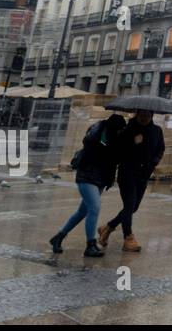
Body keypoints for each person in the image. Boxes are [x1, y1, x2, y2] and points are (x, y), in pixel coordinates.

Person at [49, 113, 126, 257]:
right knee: (95, 208)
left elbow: (117, 158)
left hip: (101, 179)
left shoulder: (116, 139)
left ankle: (58, 237)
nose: (120, 131)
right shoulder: (99, 133)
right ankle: (90, 245)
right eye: (119, 129)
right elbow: (92, 145)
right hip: (87, 175)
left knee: (82, 212)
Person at [98, 110, 165, 253]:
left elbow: (160, 149)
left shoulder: (157, 131)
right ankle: (128, 238)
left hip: (144, 175)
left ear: (151, 116)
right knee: (129, 204)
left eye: (147, 116)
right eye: (141, 116)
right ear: (137, 115)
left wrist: (153, 162)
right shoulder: (128, 130)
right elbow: (117, 151)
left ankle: (108, 226)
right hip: (127, 173)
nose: (144, 119)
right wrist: (133, 142)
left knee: (134, 207)